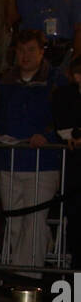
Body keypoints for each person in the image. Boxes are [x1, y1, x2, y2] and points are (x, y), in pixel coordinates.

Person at [0, 28, 66, 269]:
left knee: (34, 222)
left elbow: (65, 118)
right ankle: (16, 269)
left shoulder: (56, 81)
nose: (25, 55)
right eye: (21, 50)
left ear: (41, 52)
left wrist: (47, 136)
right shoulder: (5, 81)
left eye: (31, 50)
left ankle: (28, 278)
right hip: (9, 159)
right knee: (14, 222)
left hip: (41, 163)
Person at [52, 53, 81, 262]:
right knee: (76, 223)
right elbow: (62, 125)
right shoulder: (65, 95)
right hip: (75, 169)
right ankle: (76, 287)